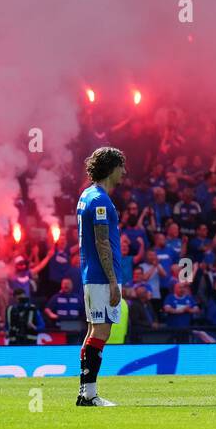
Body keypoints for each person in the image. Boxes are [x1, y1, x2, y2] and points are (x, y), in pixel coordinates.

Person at [74, 146, 130, 407]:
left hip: (90, 275)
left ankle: (86, 392)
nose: (124, 172)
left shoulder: (86, 195)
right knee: (102, 331)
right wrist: (112, 281)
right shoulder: (100, 201)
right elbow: (102, 242)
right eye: (121, 167)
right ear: (111, 168)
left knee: (93, 331)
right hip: (100, 277)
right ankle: (90, 395)